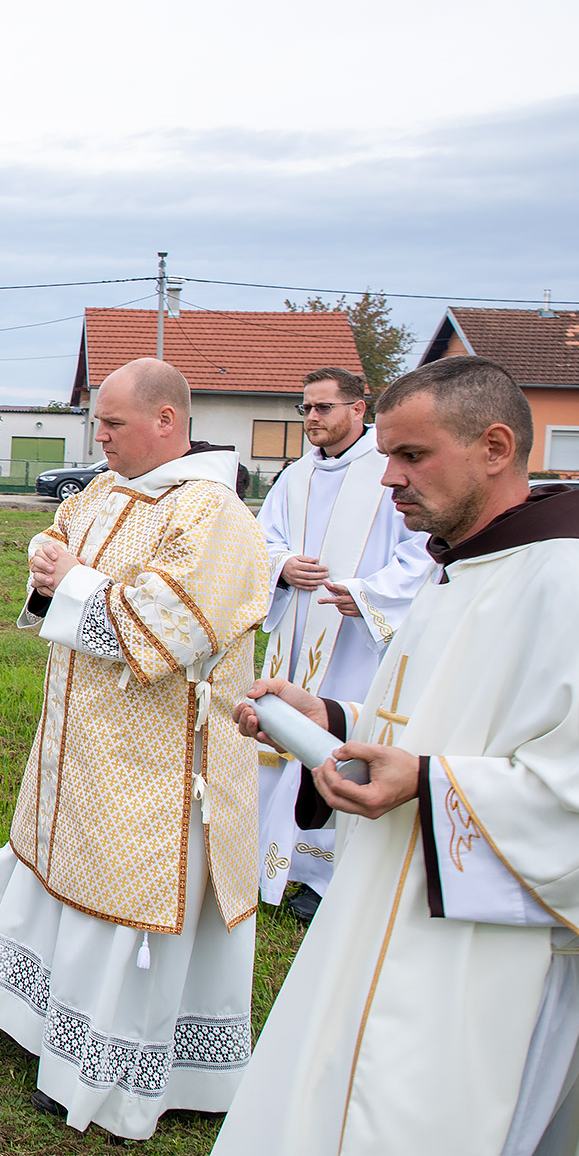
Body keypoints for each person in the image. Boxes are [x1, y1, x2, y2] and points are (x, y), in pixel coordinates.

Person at [181, 356, 579, 1156]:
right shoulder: (459, 574)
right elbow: (436, 723)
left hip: (496, 963)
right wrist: (326, 714)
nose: (388, 477)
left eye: (410, 456)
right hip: (389, 920)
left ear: (496, 447)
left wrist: (432, 786)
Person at [0, 357, 272, 1140]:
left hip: (156, 769)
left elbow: (176, 625)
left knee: (125, 902)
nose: (101, 436)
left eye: (113, 423)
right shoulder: (104, 487)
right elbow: (58, 541)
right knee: (61, 871)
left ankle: (103, 1077)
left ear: (167, 421)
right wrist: (47, 566)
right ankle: (44, 1027)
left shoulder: (213, 514)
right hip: (81, 742)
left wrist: (77, 579)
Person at [253, 366, 430, 921]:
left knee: (338, 739)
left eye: (323, 408)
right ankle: (265, 858)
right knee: (281, 740)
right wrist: (281, 566)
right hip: (296, 630)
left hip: (355, 639)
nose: (311, 419)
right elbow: (264, 537)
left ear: (359, 409)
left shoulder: (388, 472)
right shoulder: (295, 476)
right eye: (305, 408)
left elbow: (422, 552)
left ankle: (321, 876)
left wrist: (367, 594)